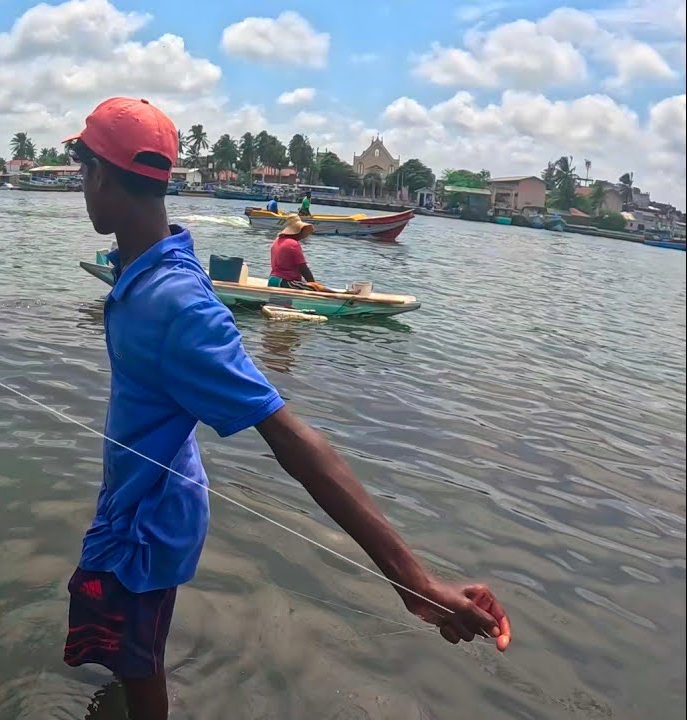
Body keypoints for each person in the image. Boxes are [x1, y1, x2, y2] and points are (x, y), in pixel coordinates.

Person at [63, 97, 510, 720]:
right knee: (130, 652)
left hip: (147, 522)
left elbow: (295, 441)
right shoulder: (152, 261)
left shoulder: (178, 309)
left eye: (83, 173)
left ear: (103, 177)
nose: (82, 188)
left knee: (139, 665)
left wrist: (414, 580)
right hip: (145, 493)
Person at [268, 215, 326, 290]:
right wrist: (313, 284)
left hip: (273, 280)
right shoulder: (293, 244)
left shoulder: (276, 241)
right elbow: (303, 268)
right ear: (297, 231)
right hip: (285, 282)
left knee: (283, 301)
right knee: (316, 287)